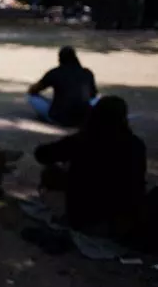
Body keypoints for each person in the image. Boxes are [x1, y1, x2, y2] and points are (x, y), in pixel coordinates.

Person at [35, 96, 147, 243]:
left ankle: (62, 210)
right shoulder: (136, 145)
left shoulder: (82, 140)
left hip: (88, 221)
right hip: (126, 220)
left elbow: (42, 154)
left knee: (50, 173)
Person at [28, 46, 98, 127]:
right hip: (83, 118)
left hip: (59, 118)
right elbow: (93, 94)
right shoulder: (87, 72)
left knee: (31, 97)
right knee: (96, 99)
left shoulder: (55, 72)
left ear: (59, 59)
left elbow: (34, 90)